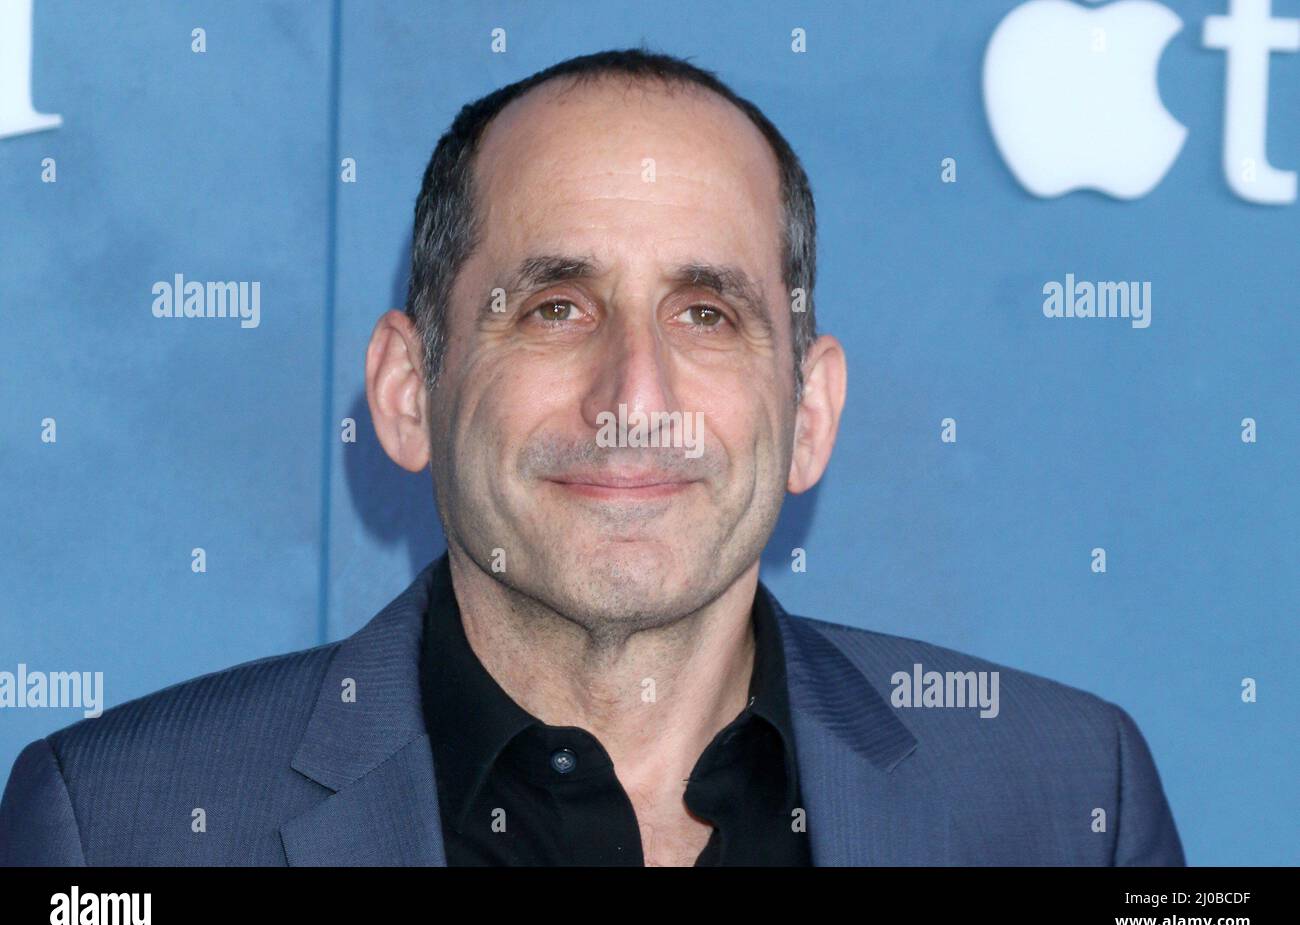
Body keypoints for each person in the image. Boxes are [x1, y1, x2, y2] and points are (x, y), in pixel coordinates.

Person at [0, 48, 1184, 866]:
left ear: (810, 411)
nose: (634, 395)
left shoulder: (1065, 798)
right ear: (411, 391)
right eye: (555, 307)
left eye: (706, 313)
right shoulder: (121, 823)